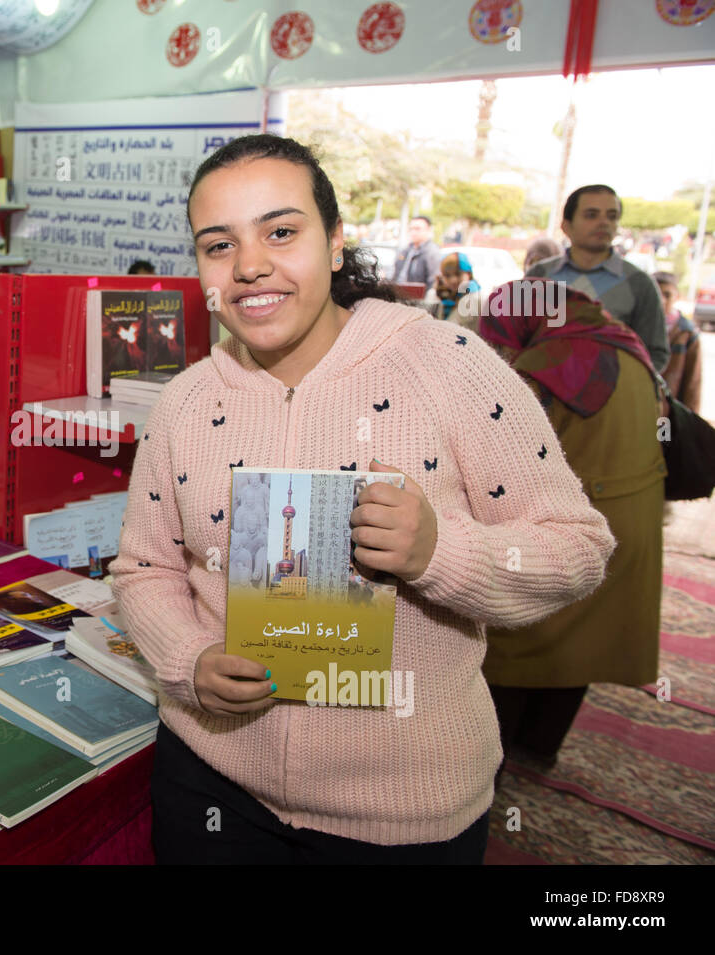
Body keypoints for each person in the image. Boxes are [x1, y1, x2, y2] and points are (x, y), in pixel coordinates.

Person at [110, 134, 615, 865]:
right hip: (212, 786)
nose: (250, 265)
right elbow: (143, 568)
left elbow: (578, 546)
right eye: (218, 245)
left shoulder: (450, 366)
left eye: (282, 232)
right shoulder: (185, 401)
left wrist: (441, 550)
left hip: (404, 817)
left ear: (337, 242)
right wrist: (188, 659)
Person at [476, 280, 664, 771]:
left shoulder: (542, 369)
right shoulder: (624, 342)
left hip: (568, 526)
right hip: (633, 516)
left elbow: (504, 461)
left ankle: (497, 757)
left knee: (518, 640)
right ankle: (540, 749)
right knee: (587, 641)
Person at [524, 185, 670, 372]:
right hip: (540, 396)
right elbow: (517, 340)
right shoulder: (539, 276)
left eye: (612, 216)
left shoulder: (639, 284)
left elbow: (656, 354)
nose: (604, 223)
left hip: (614, 398)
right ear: (566, 226)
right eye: (591, 215)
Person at [653, 270, 702, 413]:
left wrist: (691, 425)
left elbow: (693, 384)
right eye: (657, 293)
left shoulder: (687, 334)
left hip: (669, 415)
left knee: (663, 435)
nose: (661, 300)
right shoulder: (637, 329)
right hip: (643, 411)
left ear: (677, 297)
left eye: (667, 295)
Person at [428, 251, 483, 326]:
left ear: (469, 274)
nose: (453, 280)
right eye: (447, 275)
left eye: (458, 274)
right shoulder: (440, 296)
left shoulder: (476, 299)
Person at [391, 215, 441, 290]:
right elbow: (395, 275)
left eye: (417, 229)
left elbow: (433, 281)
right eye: (411, 229)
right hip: (397, 294)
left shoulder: (432, 252)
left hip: (418, 298)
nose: (413, 232)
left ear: (428, 230)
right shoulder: (405, 251)